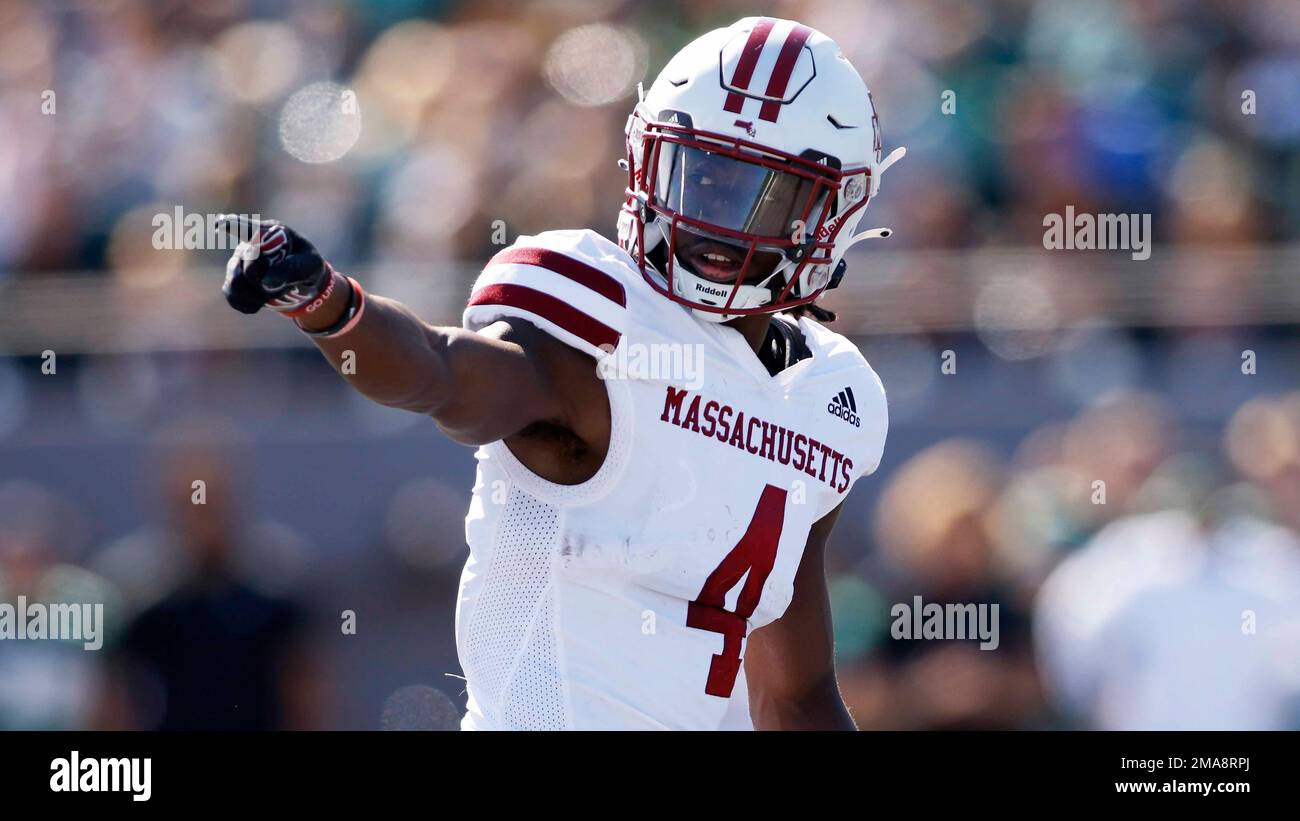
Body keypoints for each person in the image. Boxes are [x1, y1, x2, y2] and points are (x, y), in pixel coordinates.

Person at [219, 17, 905, 730]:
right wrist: (333, 306)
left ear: (830, 212)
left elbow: (793, 693)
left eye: (762, 193)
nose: (717, 218)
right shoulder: (595, 320)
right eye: (700, 174)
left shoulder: (826, 397)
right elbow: (444, 372)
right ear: (649, 157)